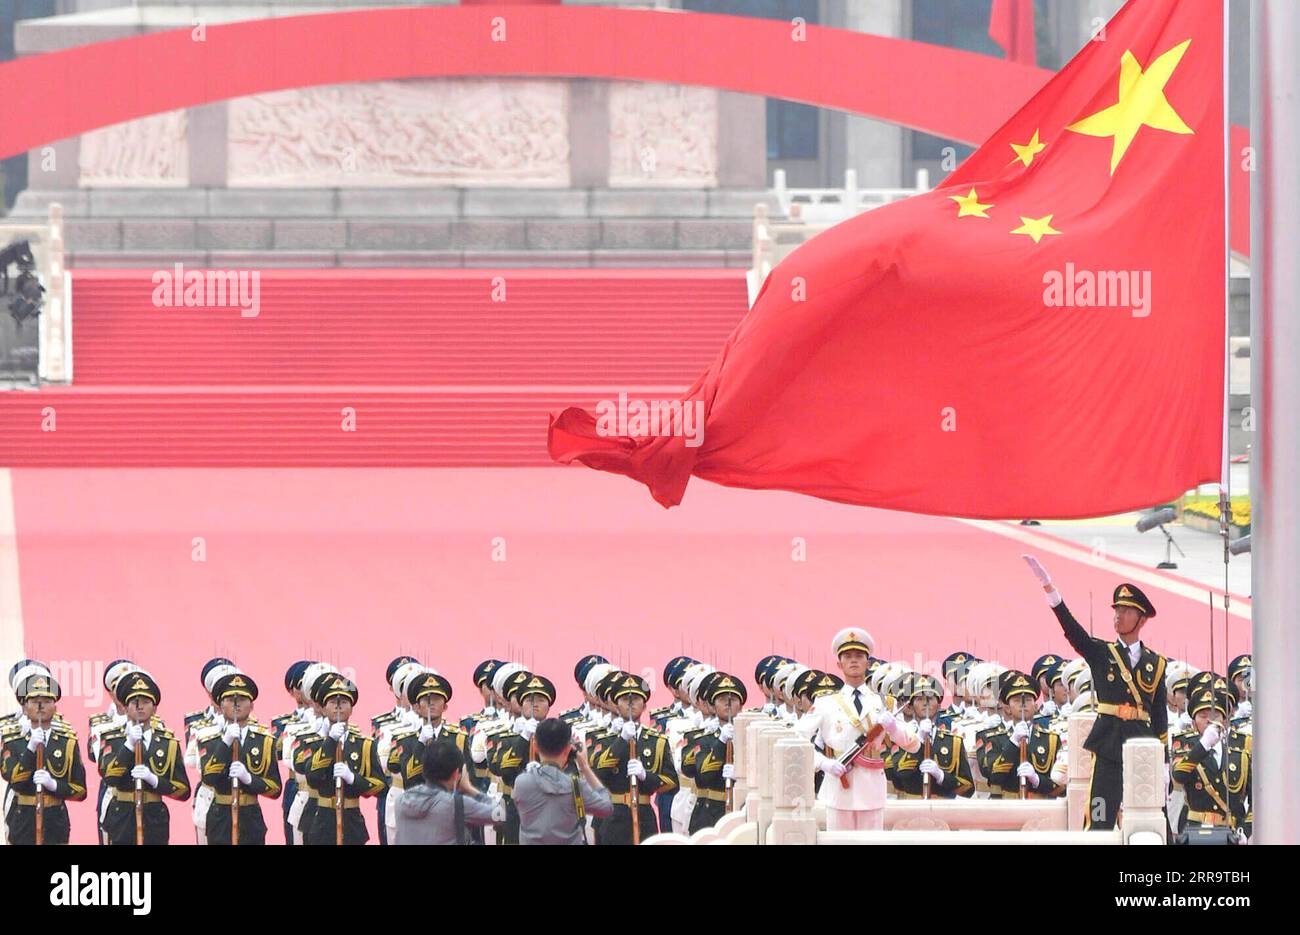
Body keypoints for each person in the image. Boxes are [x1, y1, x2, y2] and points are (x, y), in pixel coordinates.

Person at [1022, 555, 1168, 830]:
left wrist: (1165, 762)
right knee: (1100, 814)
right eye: (1116, 610)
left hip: (1143, 744)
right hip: (1109, 741)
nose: (1118, 616)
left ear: (1141, 618)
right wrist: (1051, 591)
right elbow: (1073, 632)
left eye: (1126, 611)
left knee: (1156, 820)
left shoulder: (1156, 664)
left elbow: (1159, 715)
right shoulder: (1102, 653)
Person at [795, 628, 919, 831]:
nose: (854, 660)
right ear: (839, 664)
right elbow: (795, 739)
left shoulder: (884, 702)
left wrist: (894, 727)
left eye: (859, 656)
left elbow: (913, 745)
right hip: (838, 784)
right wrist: (823, 763)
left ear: (868, 663)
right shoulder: (825, 703)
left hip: (872, 787)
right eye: (847, 656)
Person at [97, 671, 191, 844]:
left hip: (154, 815)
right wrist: (129, 745)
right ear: (125, 708)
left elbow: (183, 790)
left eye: (146, 702)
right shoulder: (113, 739)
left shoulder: (167, 743)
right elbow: (109, 777)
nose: (140, 707)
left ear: (155, 708)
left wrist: (154, 780)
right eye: (134, 702)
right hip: (122, 813)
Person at [297, 673, 385, 845]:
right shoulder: (313, 742)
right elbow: (312, 777)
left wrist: (352, 778)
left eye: (344, 702)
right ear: (322, 708)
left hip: (351, 820)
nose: (338, 707)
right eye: (332, 703)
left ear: (351, 708)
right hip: (321, 819)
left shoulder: (364, 744)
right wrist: (330, 741)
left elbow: (381, 786)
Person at [194, 672, 282, 845]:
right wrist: (226, 742)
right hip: (220, 815)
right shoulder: (209, 738)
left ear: (252, 705)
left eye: (242, 699)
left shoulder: (264, 740)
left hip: (250, 816)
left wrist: (249, 779)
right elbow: (208, 777)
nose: (236, 704)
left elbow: (274, 788)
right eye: (230, 700)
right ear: (219, 705)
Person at [0, 673, 87, 844]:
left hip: (55, 818)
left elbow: (80, 790)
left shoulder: (67, 742)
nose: (40, 706)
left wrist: (54, 785)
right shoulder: (13, 741)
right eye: (34, 701)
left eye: (47, 701)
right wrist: (31, 747)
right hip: (23, 816)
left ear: (55, 707)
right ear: (24, 707)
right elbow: (13, 780)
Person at [513, 718, 613, 845]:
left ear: (535, 746)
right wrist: (585, 768)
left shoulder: (522, 782)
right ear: (568, 749)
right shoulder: (575, 786)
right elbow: (606, 808)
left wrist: (532, 772)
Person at [394, 741, 500, 845]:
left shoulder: (401, 801)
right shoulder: (455, 804)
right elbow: (499, 814)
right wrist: (470, 789)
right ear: (456, 774)